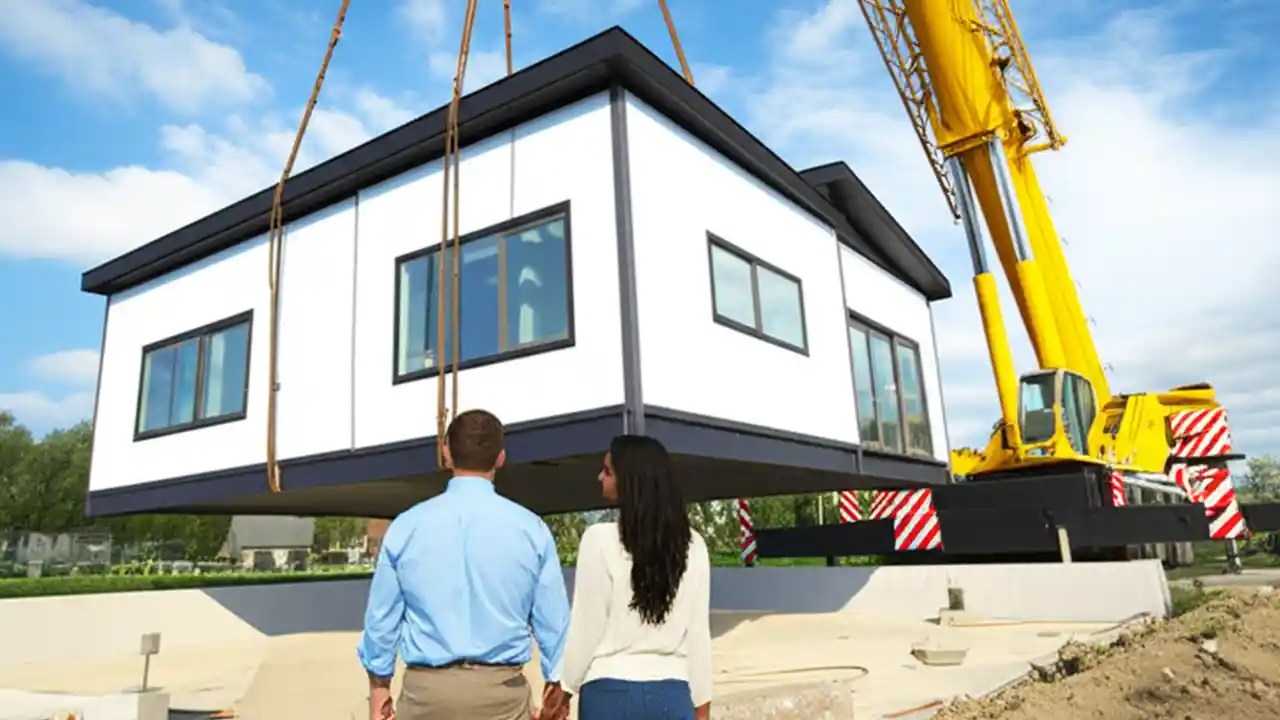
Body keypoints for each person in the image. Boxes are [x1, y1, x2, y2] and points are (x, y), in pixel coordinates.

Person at [356, 409, 574, 720]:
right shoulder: (531, 529)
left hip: (426, 697)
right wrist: (557, 688)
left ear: (446, 452)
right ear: (500, 458)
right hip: (502, 697)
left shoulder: (406, 527)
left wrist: (379, 689)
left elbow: (382, 619)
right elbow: (554, 623)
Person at [559, 434, 713, 719]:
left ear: (629, 481)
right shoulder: (694, 545)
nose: (599, 477)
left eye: (607, 471)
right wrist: (702, 707)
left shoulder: (598, 539)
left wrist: (564, 688)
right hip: (672, 694)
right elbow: (698, 634)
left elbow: (587, 626)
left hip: (607, 694)